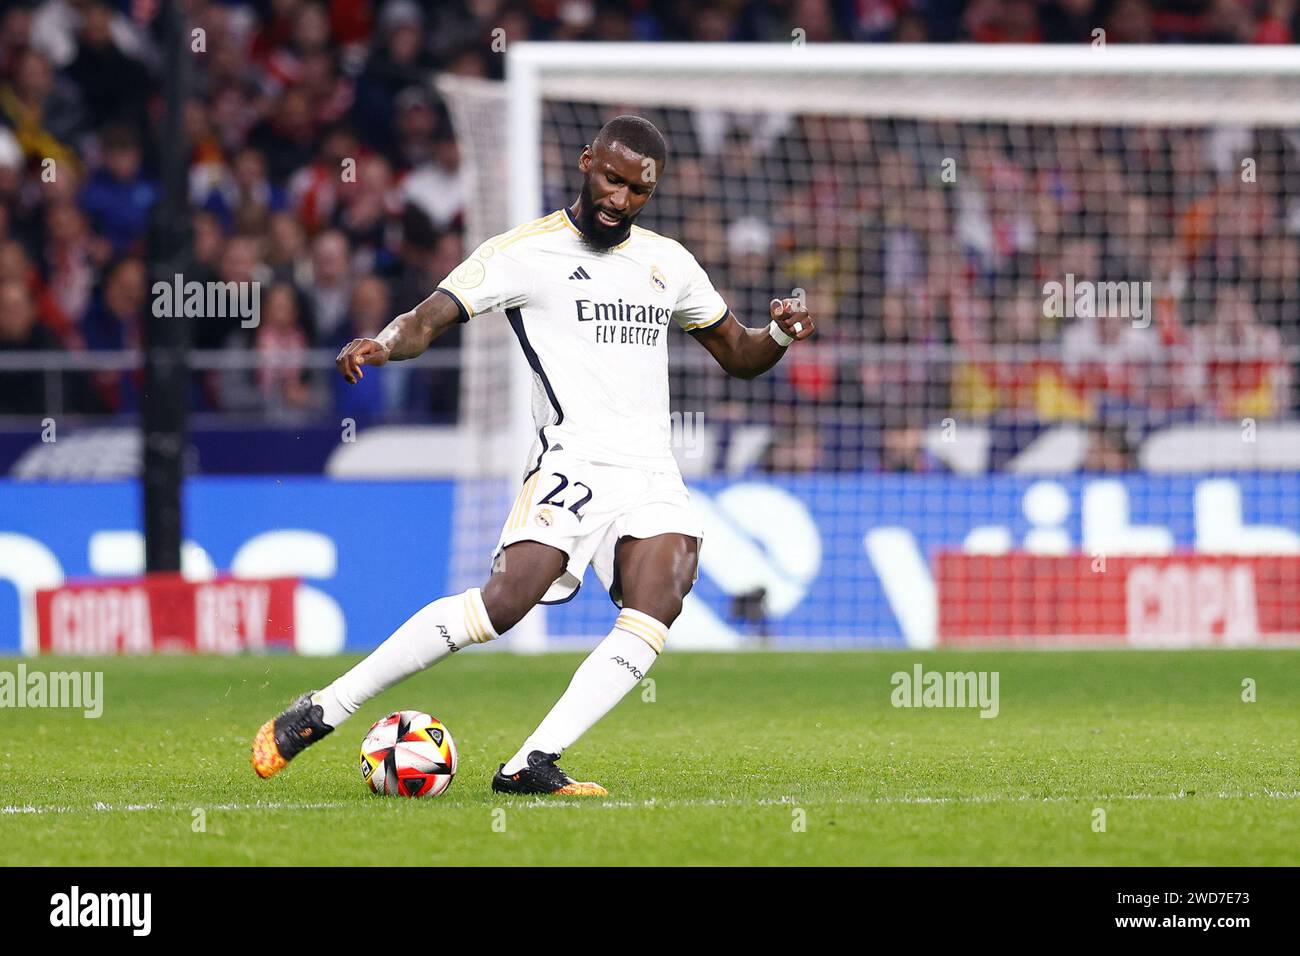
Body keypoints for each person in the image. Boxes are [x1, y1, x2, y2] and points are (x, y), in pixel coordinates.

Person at [250, 116, 815, 795]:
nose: (620, 199)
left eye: (639, 190)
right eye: (611, 178)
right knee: (500, 607)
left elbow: (739, 355)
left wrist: (778, 333)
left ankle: (532, 763)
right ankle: (322, 708)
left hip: (650, 470)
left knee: (663, 594)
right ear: (585, 162)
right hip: (570, 461)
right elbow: (430, 316)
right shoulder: (523, 252)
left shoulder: (670, 263)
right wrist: (385, 341)